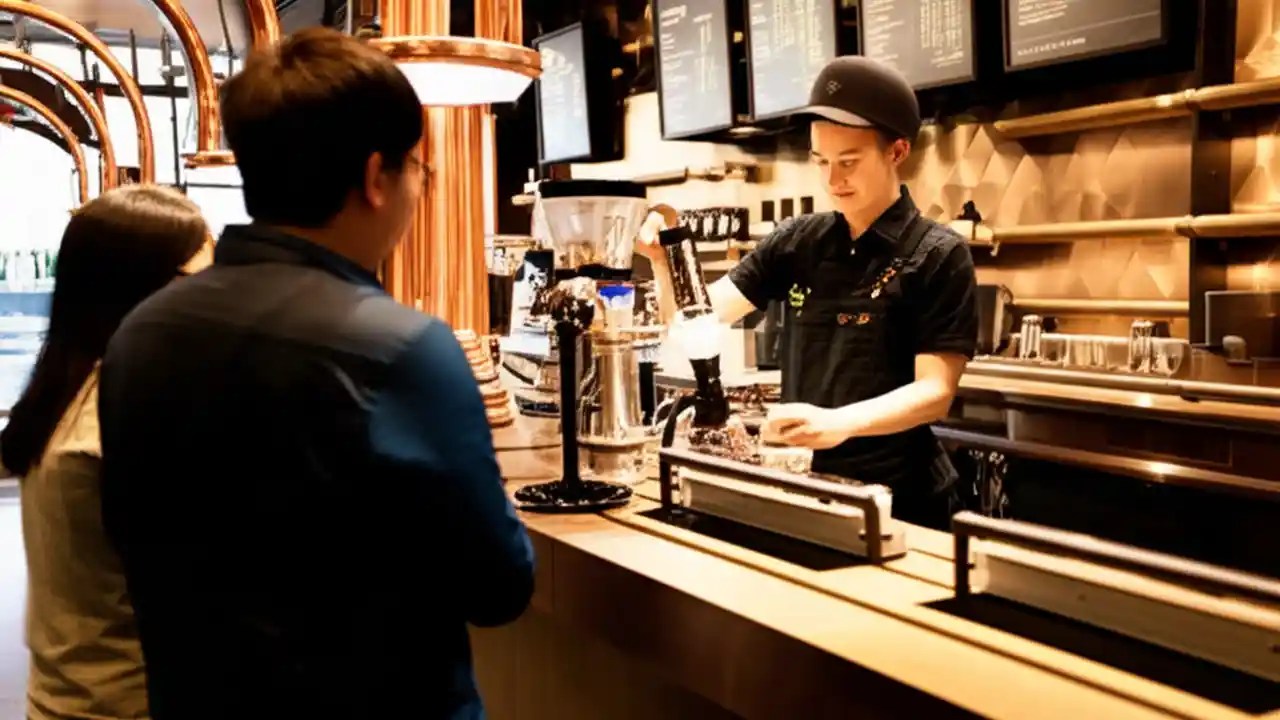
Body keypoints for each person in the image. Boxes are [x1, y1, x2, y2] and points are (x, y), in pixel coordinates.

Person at [96, 28, 535, 720]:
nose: (421, 190)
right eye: (418, 169)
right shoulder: (402, 348)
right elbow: (498, 587)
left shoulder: (141, 332)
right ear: (374, 177)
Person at [640, 56, 978, 529]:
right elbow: (691, 324)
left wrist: (838, 423)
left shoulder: (939, 255)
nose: (832, 179)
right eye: (820, 161)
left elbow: (935, 392)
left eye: (849, 162)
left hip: (904, 504)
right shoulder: (798, 242)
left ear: (897, 152)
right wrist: (663, 260)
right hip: (810, 493)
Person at [0, 185, 211, 720]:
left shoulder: (68, 390)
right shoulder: (124, 413)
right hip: (127, 703)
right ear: (144, 288)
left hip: (67, 697)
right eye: (201, 279)